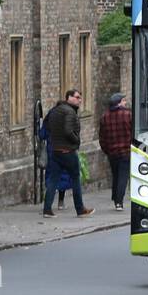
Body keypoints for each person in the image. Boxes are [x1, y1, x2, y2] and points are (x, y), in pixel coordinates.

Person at [42, 89, 94, 218]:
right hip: (68, 151)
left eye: (80, 97)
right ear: (69, 98)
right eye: (77, 97)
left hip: (55, 150)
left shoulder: (54, 111)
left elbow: (46, 127)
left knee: (53, 179)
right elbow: (68, 130)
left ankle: (47, 209)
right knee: (75, 178)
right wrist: (76, 141)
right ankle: (80, 209)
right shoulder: (70, 112)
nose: (80, 100)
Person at [98, 92, 133, 211]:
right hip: (126, 151)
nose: (125, 103)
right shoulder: (128, 114)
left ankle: (115, 197)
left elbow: (102, 137)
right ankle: (119, 201)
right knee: (123, 176)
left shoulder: (105, 116)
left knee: (115, 175)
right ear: (119, 102)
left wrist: (106, 149)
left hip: (112, 152)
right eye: (123, 101)